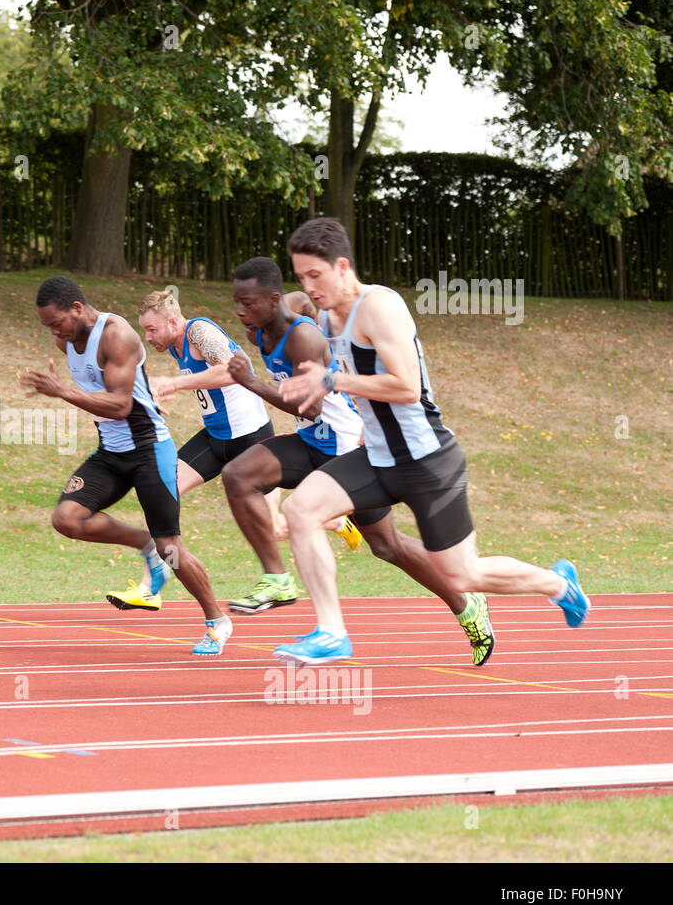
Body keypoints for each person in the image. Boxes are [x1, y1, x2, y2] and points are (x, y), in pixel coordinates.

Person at [274, 218, 589, 665]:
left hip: (427, 462)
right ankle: (331, 632)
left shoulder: (378, 306)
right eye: (301, 276)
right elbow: (359, 383)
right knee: (300, 510)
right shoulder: (327, 317)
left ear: (342, 266)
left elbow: (406, 386)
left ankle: (557, 584)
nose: (309, 286)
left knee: (461, 575)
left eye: (315, 275)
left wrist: (331, 380)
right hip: (377, 458)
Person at [221, 256, 496, 665]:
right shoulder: (271, 320)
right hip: (311, 441)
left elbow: (310, 406)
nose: (240, 312)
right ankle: (277, 578)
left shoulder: (302, 338)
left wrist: (251, 382)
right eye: (237, 302)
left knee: (387, 546)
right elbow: (298, 300)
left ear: (271, 300)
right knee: (238, 475)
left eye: (248, 303)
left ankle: (466, 603)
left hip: (344, 445)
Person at [19, 276, 233, 655]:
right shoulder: (66, 340)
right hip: (112, 452)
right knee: (67, 519)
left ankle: (217, 620)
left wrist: (62, 391)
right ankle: (144, 544)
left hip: (150, 450)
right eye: (48, 326)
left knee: (172, 547)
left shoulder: (116, 335)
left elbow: (121, 405)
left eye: (57, 322)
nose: (55, 332)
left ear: (77, 309)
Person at [102, 289, 278, 616]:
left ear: (173, 322)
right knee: (159, 493)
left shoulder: (199, 331)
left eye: (152, 329)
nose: (147, 337)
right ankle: (151, 587)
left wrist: (174, 384)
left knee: (276, 527)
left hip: (250, 438)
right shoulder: (175, 344)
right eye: (144, 330)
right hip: (215, 437)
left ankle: (334, 521)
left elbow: (230, 371)